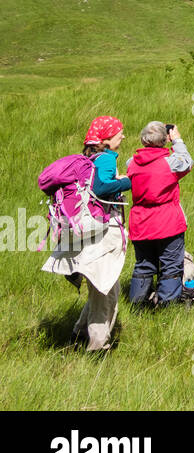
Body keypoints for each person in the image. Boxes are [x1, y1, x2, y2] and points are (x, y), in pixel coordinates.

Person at [40, 116, 130, 351]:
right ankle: (97, 346)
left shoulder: (88, 157)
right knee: (106, 288)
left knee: (101, 284)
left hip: (85, 229)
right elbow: (101, 188)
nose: (123, 136)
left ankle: (78, 335)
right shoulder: (107, 159)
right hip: (103, 229)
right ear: (107, 138)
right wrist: (127, 182)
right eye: (119, 132)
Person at [126, 121, 193, 307]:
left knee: (143, 265)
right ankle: (167, 307)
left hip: (140, 223)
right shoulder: (169, 163)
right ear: (165, 140)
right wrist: (177, 140)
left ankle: (137, 306)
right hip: (167, 223)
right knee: (171, 265)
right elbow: (187, 162)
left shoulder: (132, 164)